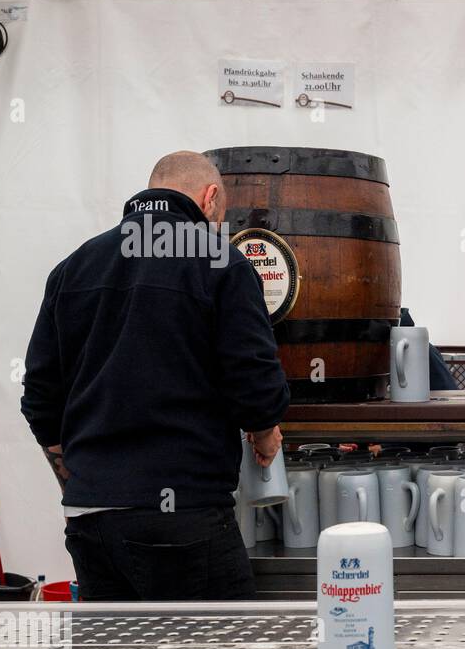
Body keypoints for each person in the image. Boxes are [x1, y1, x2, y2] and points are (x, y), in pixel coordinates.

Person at [20, 151, 289, 601]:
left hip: (90, 517)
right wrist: (264, 431)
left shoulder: (74, 266)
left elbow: (39, 394)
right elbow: (253, 378)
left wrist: (75, 473)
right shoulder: (223, 264)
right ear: (210, 197)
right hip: (183, 513)